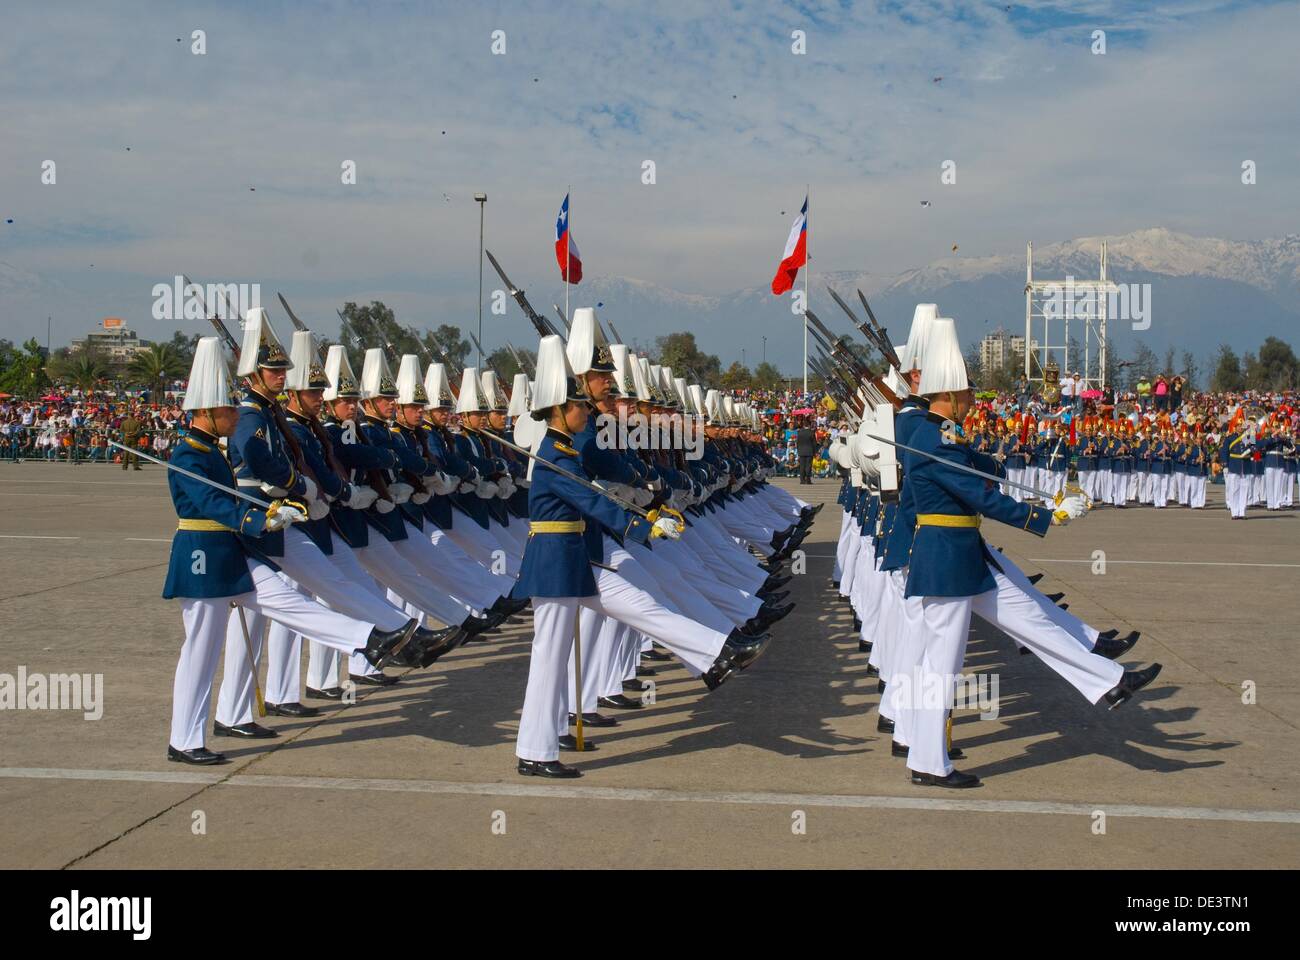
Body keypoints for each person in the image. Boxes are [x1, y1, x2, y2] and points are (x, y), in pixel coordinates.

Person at [162, 338, 412, 764]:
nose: (234, 416)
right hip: (202, 557)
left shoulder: (211, 451)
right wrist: (261, 520)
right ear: (204, 412)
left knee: (288, 602)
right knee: (201, 652)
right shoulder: (188, 456)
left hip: (233, 552)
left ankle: (368, 638)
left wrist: (273, 509)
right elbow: (213, 505)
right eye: (227, 411)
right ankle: (184, 740)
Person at [795, 417, 816, 484]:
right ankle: (808, 479)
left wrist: (798, 450)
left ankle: (802, 480)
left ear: (804, 425)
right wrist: (814, 451)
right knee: (808, 466)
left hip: (801, 451)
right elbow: (814, 444)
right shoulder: (811, 432)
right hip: (809, 451)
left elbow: (797, 442)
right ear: (809, 425)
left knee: (802, 466)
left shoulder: (800, 432)